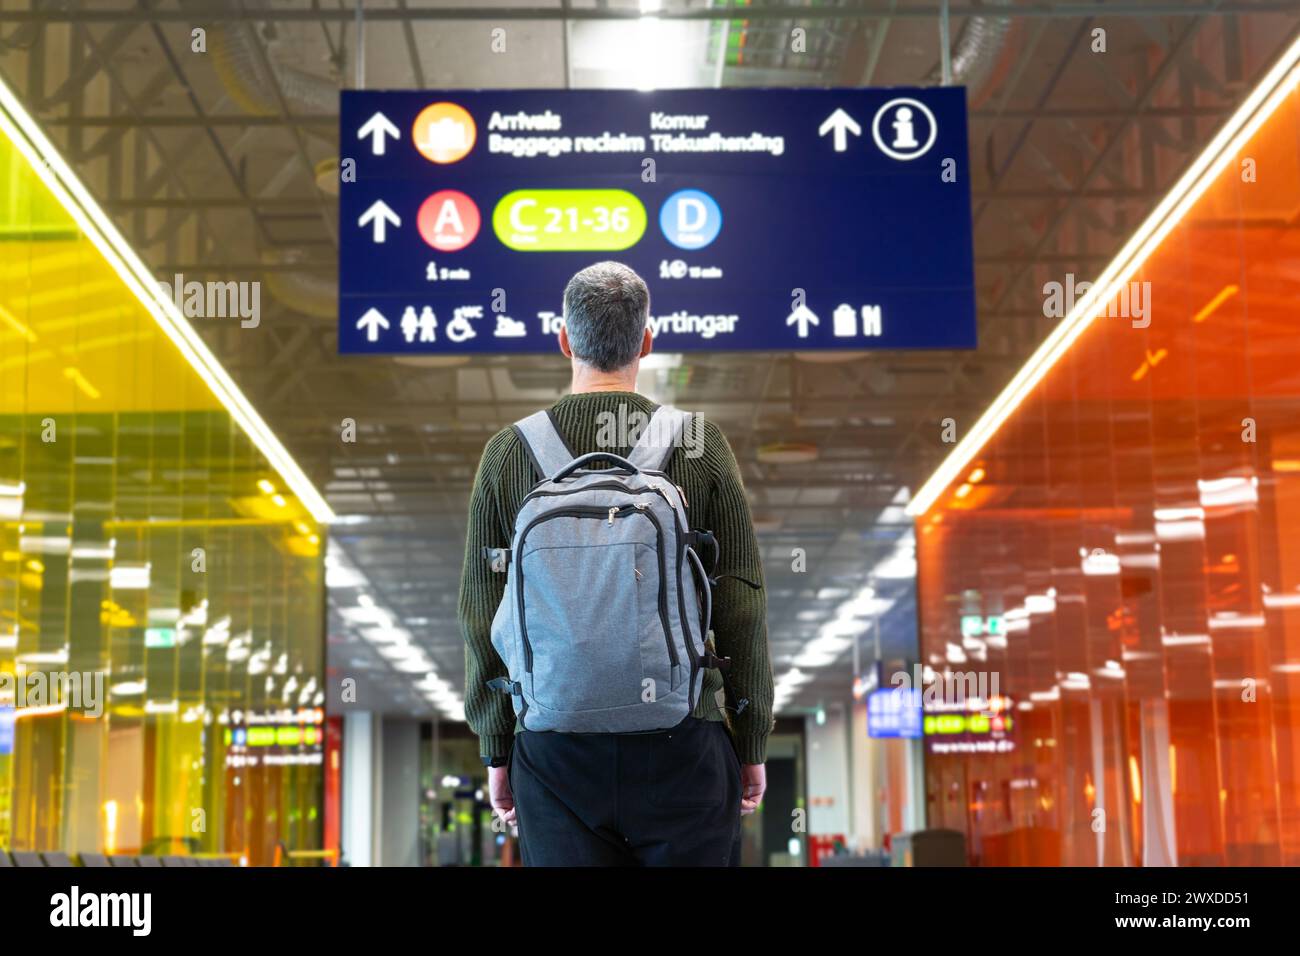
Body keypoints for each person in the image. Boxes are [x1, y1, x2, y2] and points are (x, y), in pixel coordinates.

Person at [458, 261, 773, 866]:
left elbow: (480, 613)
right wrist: (751, 737)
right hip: (684, 743)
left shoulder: (508, 453)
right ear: (647, 342)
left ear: (565, 340)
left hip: (553, 750)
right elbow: (740, 601)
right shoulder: (698, 442)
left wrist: (497, 749)